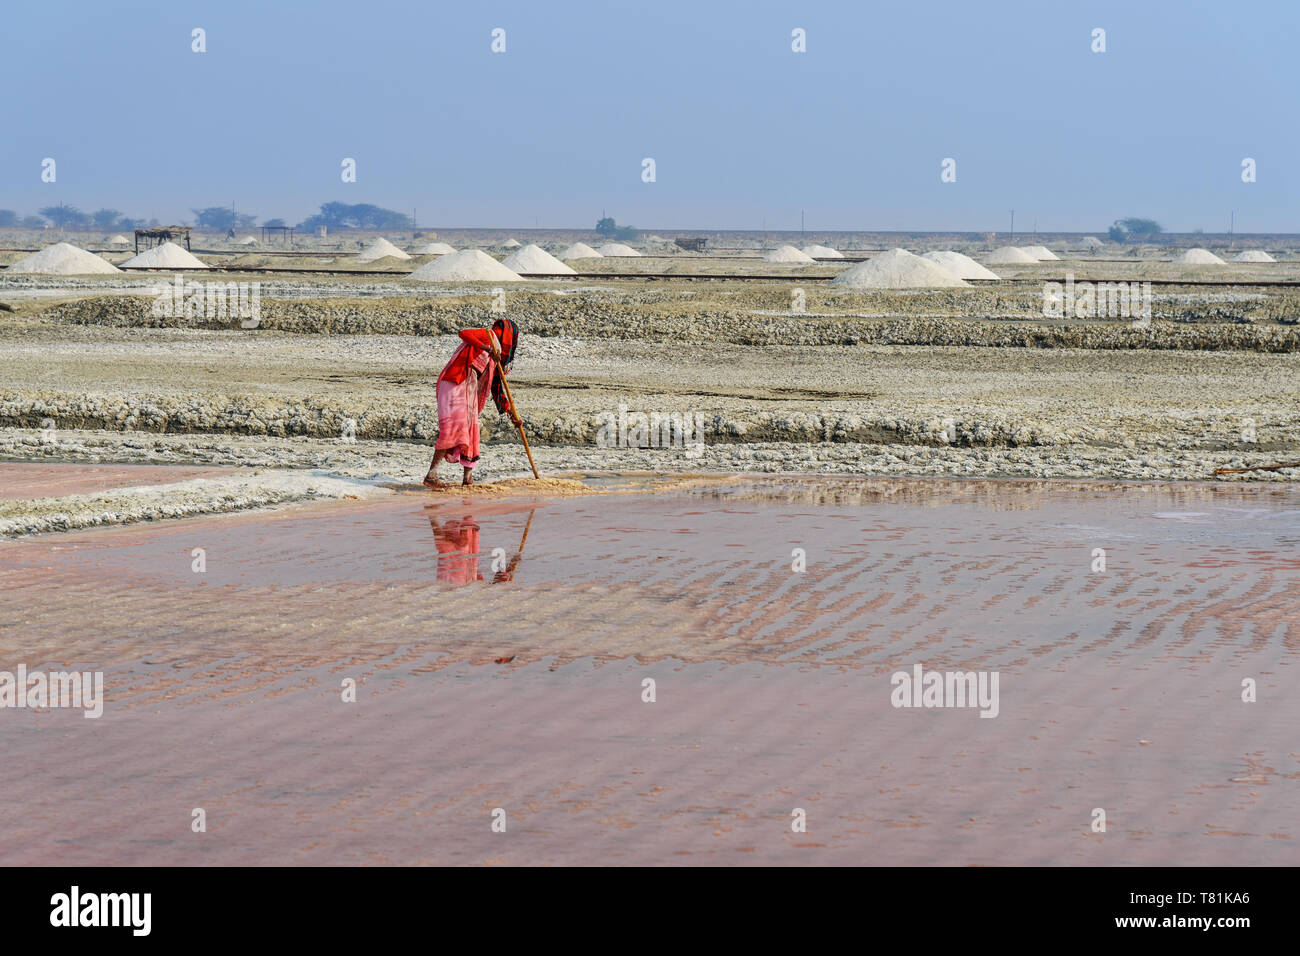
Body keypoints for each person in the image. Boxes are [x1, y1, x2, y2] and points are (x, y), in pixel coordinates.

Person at [424, 318, 519, 488]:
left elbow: (497, 387)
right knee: (453, 429)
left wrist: (511, 413)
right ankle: (431, 475)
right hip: (456, 382)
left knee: (471, 430)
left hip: (468, 389)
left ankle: (467, 479)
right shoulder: (488, 336)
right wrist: (486, 348)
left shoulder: (495, 358)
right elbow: (464, 333)